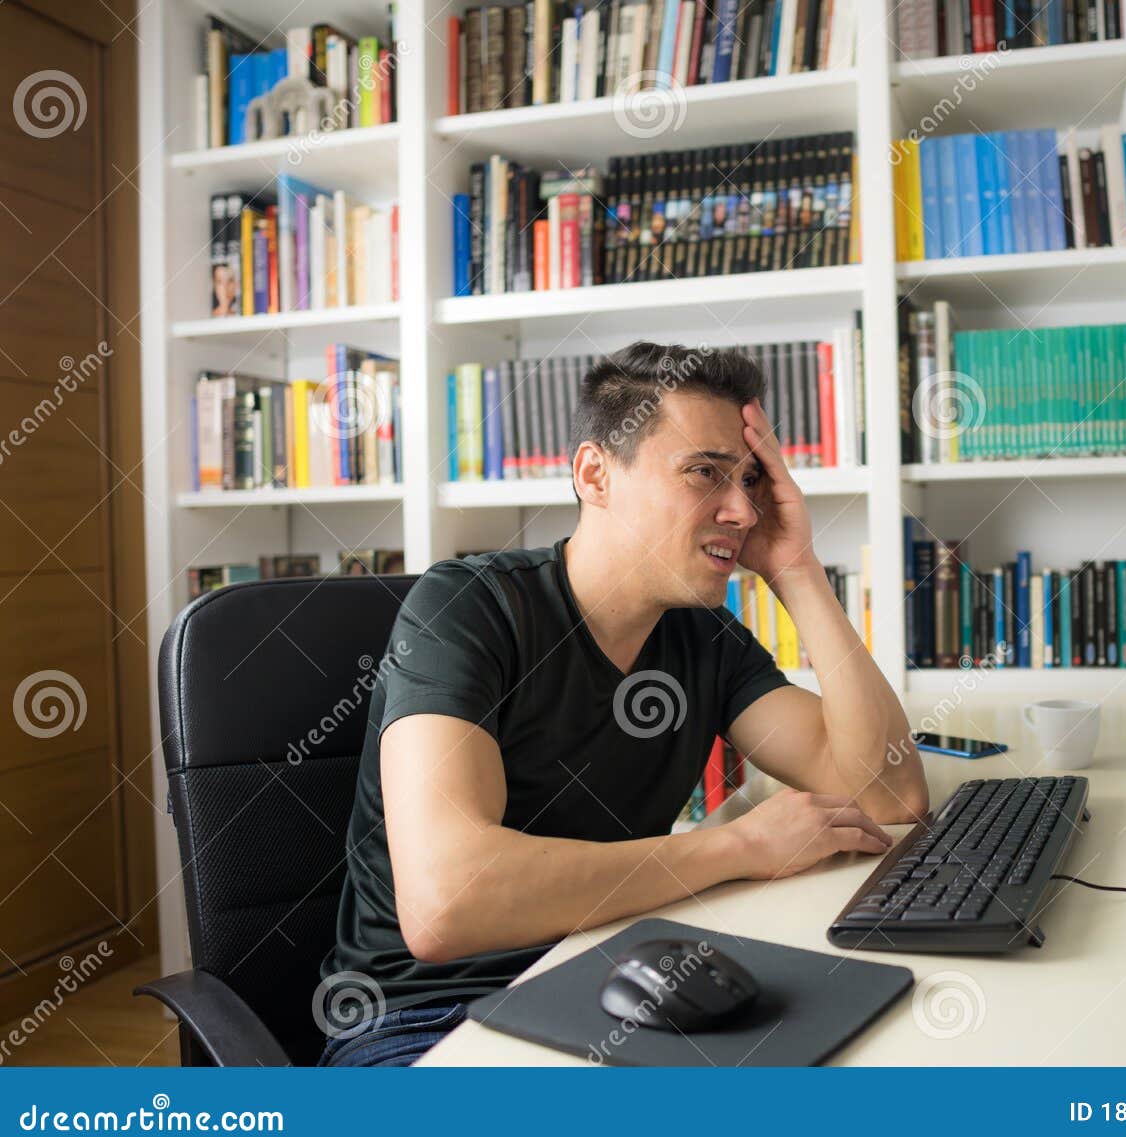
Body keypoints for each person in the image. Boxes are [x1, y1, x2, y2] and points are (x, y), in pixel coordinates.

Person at [317, 342, 928, 1066]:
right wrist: (737, 847)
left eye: (749, 479)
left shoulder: (704, 636)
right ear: (594, 475)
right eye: (705, 471)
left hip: (607, 983)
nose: (741, 510)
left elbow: (887, 792)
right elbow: (447, 903)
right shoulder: (467, 608)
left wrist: (796, 568)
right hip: (426, 1024)